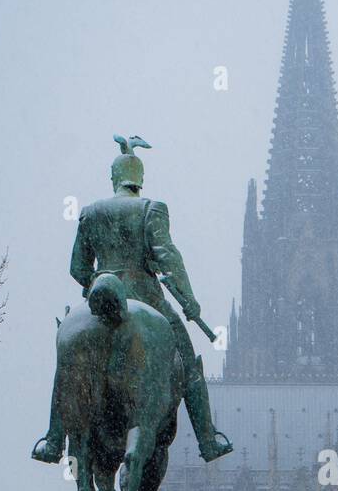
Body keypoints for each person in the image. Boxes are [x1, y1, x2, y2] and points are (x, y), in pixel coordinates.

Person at [32, 134, 234, 465]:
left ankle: (52, 441)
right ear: (139, 181)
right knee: (189, 364)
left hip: (99, 298)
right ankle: (208, 438)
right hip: (147, 296)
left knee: (67, 364)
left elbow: (77, 268)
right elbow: (168, 257)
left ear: (114, 179)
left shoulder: (91, 212)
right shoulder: (151, 209)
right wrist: (190, 301)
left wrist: (96, 282)